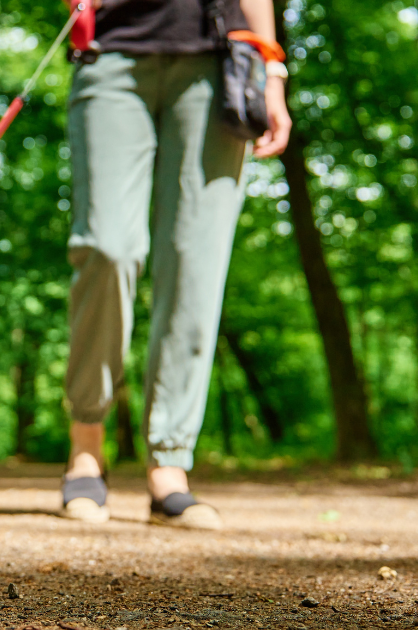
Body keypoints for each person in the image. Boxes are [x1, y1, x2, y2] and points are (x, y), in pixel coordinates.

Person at [60, 0, 291, 527]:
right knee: (106, 247)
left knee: (195, 260)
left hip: (219, 57)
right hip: (112, 53)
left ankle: (169, 465)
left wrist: (272, 69)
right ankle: (86, 447)